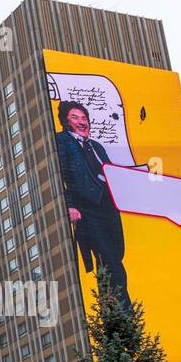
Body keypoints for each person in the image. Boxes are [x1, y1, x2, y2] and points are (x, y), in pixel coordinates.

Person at [54, 100, 130, 306]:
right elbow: (61, 175)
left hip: (109, 208)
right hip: (87, 208)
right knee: (111, 263)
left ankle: (111, 310)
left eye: (84, 118)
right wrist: (70, 205)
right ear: (65, 121)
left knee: (114, 257)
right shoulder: (60, 141)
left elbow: (110, 173)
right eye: (75, 117)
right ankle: (122, 312)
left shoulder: (96, 146)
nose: (82, 122)